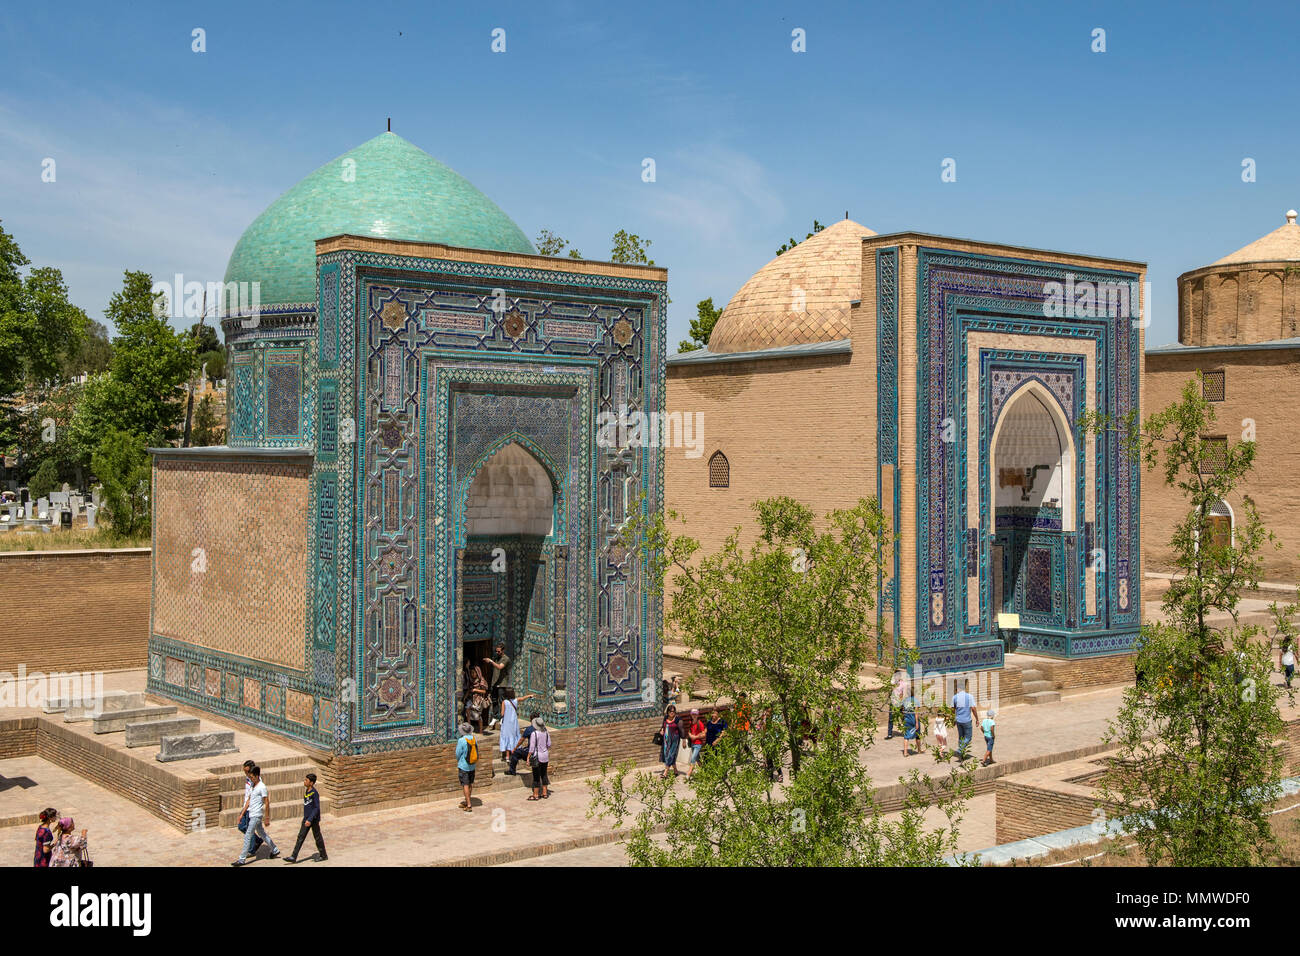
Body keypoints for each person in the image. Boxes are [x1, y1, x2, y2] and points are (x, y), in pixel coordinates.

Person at [233, 765, 278, 865]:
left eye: (253, 777)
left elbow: (267, 802)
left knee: (248, 835)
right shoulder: (253, 786)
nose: (251, 779)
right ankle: (274, 850)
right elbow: (249, 800)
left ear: (257, 776)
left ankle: (241, 859)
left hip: (256, 815)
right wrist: (242, 814)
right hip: (251, 814)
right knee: (262, 834)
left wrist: (267, 817)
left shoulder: (262, 787)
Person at [284, 772, 327, 863]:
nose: (304, 781)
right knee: (300, 837)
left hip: (312, 819)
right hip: (306, 818)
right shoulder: (307, 791)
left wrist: (310, 819)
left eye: (306, 780)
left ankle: (323, 855)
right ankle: (293, 856)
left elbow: (316, 808)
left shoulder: (314, 793)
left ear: (311, 783)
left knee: (317, 837)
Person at [496, 689, 536, 765]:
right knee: (513, 737)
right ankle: (513, 754)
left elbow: (502, 714)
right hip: (514, 722)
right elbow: (523, 698)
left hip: (507, 723)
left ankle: (507, 757)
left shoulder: (504, 702)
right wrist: (530, 695)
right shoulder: (515, 700)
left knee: (507, 738)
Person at [237, 759, 264, 856]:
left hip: (251, 808)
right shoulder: (248, 779)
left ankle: (252, 849)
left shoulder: (256, 782)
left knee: (249, 829)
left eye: (247, 771)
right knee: (241, 826)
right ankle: (257, 840)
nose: (246, 773)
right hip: (246, 806)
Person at [482, 643, 512, 724]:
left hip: (502, 683)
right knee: (494, 700)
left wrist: (491, 661)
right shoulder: (496, 658)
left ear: (503, 650)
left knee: (501, 700)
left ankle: (503, 717)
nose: (497, 653)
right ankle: (495, 716)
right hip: (494, 683)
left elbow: (499, 667)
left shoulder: (505, 659)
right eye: (496, 651)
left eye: (499, 651)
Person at [951, 679, 979, 761]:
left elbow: (952, 710)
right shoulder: (969, 696)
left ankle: (961, 755)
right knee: (968, 737)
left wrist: (953, 720)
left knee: (961, 737)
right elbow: (973, 709)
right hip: (967, 720)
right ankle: (960, 750)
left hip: (958, 720)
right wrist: (977, 719)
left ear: (958, 689)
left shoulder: (954, 697)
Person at [507, 709, 539, 774]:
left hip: (531, 752)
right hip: (541, 751)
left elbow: (521, 741)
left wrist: (515, 748)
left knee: (516, 753)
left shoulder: (529, 729)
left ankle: (512, 771)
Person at [455, 721, 478, 812]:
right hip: (472, 765)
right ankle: (467, 800)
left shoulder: (461, 740)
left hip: (464, 765)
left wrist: (458, 760)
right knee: (470, 783)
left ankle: (468, 805)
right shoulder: (473, 738)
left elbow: (458, 753)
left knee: (465, 784)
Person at [527, 716, 552, 800]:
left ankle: (536, 794)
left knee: (536, 775)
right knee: (544, 774)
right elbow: (549, 744)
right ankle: (545, 793)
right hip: (545, 756)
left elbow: (531, 747)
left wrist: (528, 757)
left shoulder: (534, 734)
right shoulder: (546, 732)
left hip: (537, 756)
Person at [464, 663, 491, 734]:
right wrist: (465, 697)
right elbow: (469, 689)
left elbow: (484, 691)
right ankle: (469, 729)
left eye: (474, 672)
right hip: (471, 699)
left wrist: (476, 690)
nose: (472, 674)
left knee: (478, 716)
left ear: (477, 672)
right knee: (468, 712)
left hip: (478, 700)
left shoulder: (481, 680)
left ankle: (481, 731)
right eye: (471, 673)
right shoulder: (471, 681)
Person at [659, 705, 681, 779]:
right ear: (668, 712)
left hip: (674, 740)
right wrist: (661, 730)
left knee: (670, 755)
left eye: (673, 711)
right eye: (670, 711)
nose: (672, 713)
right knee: (667, 755)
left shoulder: (677, 719)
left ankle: (665, 773)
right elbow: (663, 726)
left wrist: (684, 739)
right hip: (666, 740)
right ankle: (675, 771)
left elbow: (682, 729)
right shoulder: (665, 718)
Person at [886, 669, 909, 739]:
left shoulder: (904, 684)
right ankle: (889, 734)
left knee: (903, 718)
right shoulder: (892, 683)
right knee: (891, 718)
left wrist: (901, 703)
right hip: (893, 703)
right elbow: (890, 692)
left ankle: (906, 732)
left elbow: (904, 695)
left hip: (900, 703)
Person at [686, 709, 707, 779]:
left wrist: (696, 737)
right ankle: (704, 772)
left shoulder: (700, 723)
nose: (694, 716)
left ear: (697, 715)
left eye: (695, 714)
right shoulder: (690, 722)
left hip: (698, 744)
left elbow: (703, 734)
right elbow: (689, 731)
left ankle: (689, 773)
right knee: (697, 759)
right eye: (693, 714)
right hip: (692, 743)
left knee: (693, 758)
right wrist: (690, 736)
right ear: (691, 715)